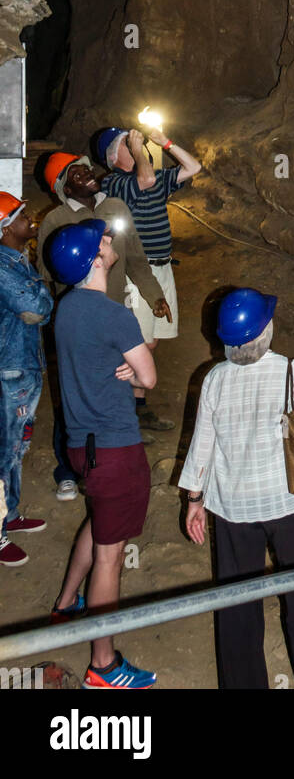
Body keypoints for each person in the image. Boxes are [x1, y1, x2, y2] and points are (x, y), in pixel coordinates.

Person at [179, 287, 294, 689]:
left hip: (233, 508)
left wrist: (194, 500)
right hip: (288, 503)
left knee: (237, 602)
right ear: (265, 330)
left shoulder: (213, 379)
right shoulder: (290, 371)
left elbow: (203, 444)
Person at [44, 219, 158, 689]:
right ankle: (103, 665)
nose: (109, 241)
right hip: (113, 448)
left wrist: (120, 364)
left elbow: (94, 358)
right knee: (111, 556)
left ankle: (66, 603)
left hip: (81, 448)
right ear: (95, 261)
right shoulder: (115, 315)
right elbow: (148, 379)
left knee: (99, 522)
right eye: (103, 242)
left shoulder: (65, 307)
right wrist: (131, 370)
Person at [37, 151, 174, 441]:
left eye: (86, 169)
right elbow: (46, 274)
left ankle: (121, 436)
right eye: (76, 174)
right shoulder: (57, 220)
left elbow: (136, 258)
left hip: (115, 311)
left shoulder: (116, 207)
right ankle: (72, 462)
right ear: (66, 189)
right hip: (81, 318)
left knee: (121, 375)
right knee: (80, 387)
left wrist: (154, 296)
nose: (87, 174)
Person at [96, 124, 201, 342]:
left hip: (164, 268)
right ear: (113, 156)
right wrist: (137, 150)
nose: (137, 146)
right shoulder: (113, 182)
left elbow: (193, 167)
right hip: (138, 273)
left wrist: (166, 143)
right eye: (126, 144)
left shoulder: (158, 177)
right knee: (140, 342)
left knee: (155, 340)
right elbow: (146, 180)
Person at [0, 194, 53, 567]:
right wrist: (43, 296)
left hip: (23, 365)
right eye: (20, 216)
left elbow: (38, 306)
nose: (30, 219)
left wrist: (41, 298)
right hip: (9, 370)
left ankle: (9, 513)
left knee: (17, 447)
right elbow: (36, 310)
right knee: (4, 451)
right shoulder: (2, 268)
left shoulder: (16, 261)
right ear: (4, 229)